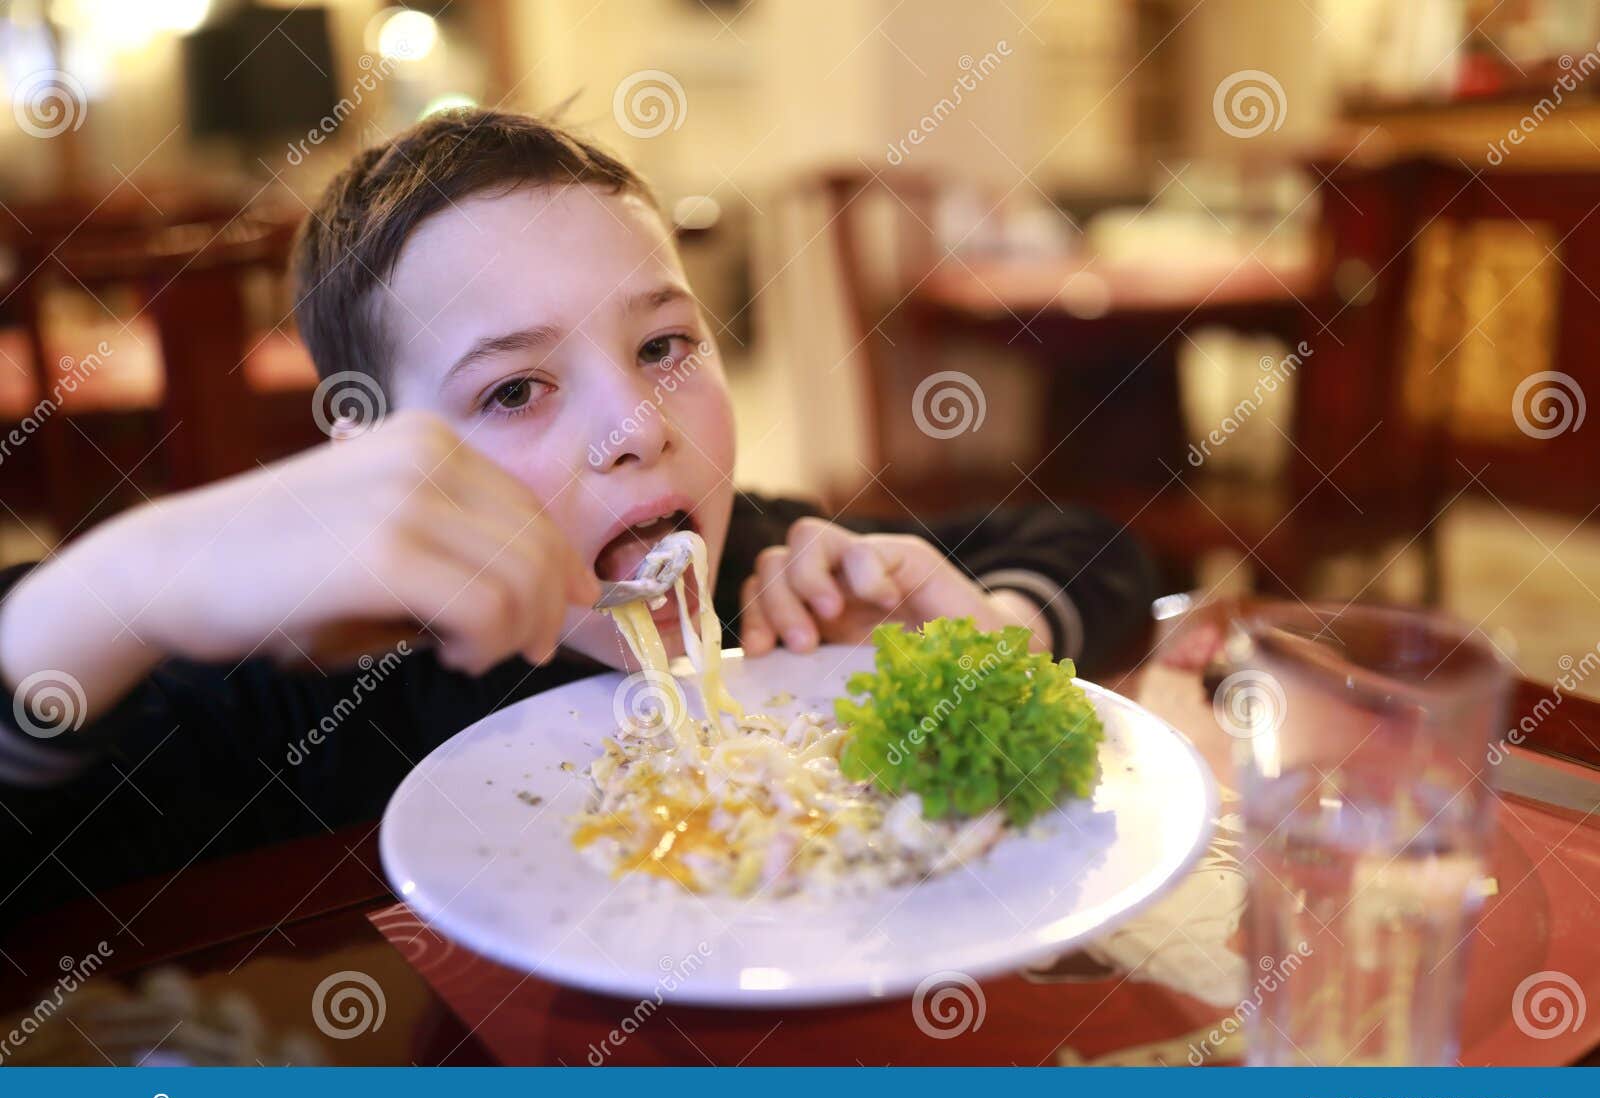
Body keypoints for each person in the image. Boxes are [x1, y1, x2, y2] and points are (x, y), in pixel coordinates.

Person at [0, 110, 1155, 927]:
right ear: (383, 459)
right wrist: (116, 586)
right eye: (513, 389)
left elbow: (1092, 549)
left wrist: (987, 635)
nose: (634, 428)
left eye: (663, 345)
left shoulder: (764, 573)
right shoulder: (312, 685)